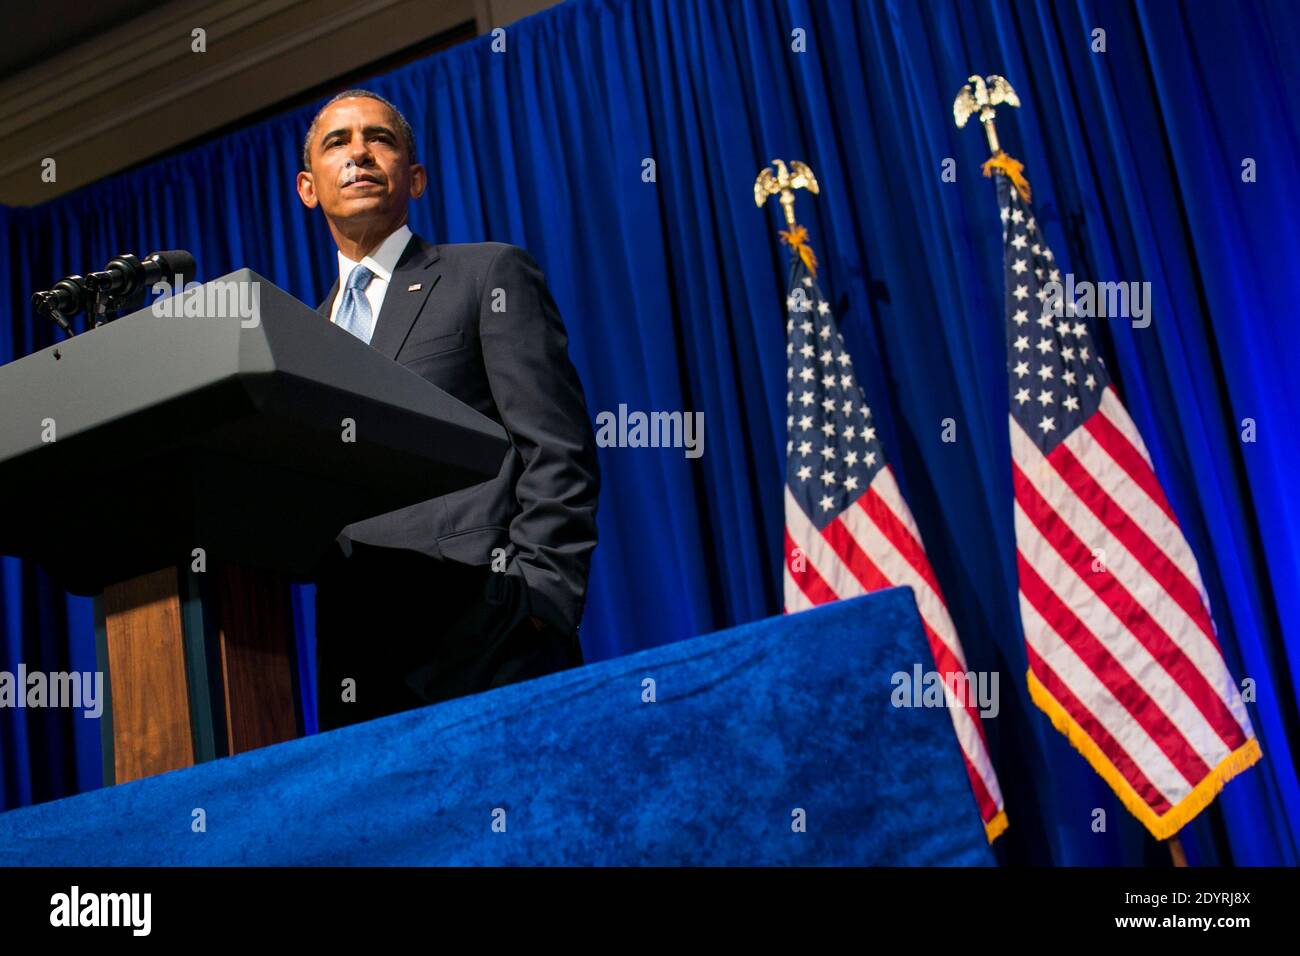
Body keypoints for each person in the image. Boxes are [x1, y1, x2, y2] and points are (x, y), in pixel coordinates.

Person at [295, 89, 600, 731]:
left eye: (379, 139)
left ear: (416, 176)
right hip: (360, 669)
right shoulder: (298, 341)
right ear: (308, 188)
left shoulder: (487, 274)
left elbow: (558, 447)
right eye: (336, 143)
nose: (358, 154)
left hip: (493, 638)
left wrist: (538, 596)